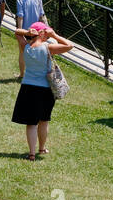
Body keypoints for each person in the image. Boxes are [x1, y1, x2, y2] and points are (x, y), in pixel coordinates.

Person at [12, 22, 74, 159]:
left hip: (28, 87)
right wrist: (55, 35)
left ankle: (32, 153)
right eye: (46, 33)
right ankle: (41, 148)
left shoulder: (26, 47)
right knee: (44, 120)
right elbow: (69, 45)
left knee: (31, 122)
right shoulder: (48, 48)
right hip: (45, 89)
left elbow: (17, 31)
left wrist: (28, 33)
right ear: (42, 34)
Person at [13, 0, 46, 77]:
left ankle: (22, 74)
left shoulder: (20, 0)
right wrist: (46, 29)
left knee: (22, 53)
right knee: (36, 54)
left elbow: (20, 16)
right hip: (37, 32)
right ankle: (36, 74)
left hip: (26, 31)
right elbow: (42, 16)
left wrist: (19, 30)